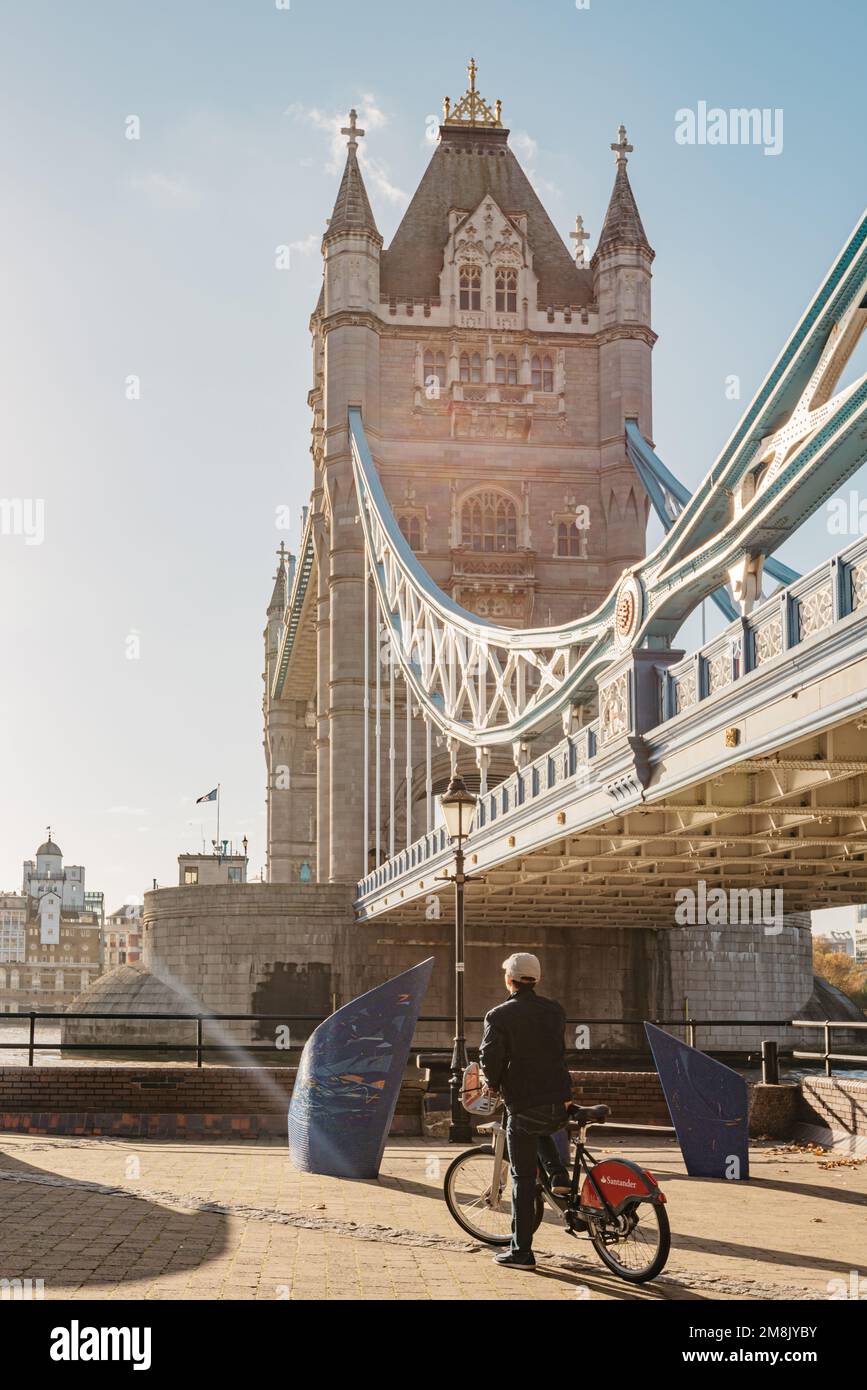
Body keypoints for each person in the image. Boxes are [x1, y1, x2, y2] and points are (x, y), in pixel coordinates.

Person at [478, 952, 572, 1271]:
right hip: (558, 1102)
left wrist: (491, 1083)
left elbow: (489, 1058)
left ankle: (521, 1253)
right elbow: (556, 1053)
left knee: (522, 1177)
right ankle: (559, 1174)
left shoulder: (498, 1015)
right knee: (539, 1127)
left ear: (510, 979)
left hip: (523, 1103)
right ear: (536, 979)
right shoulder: (555, 1011)